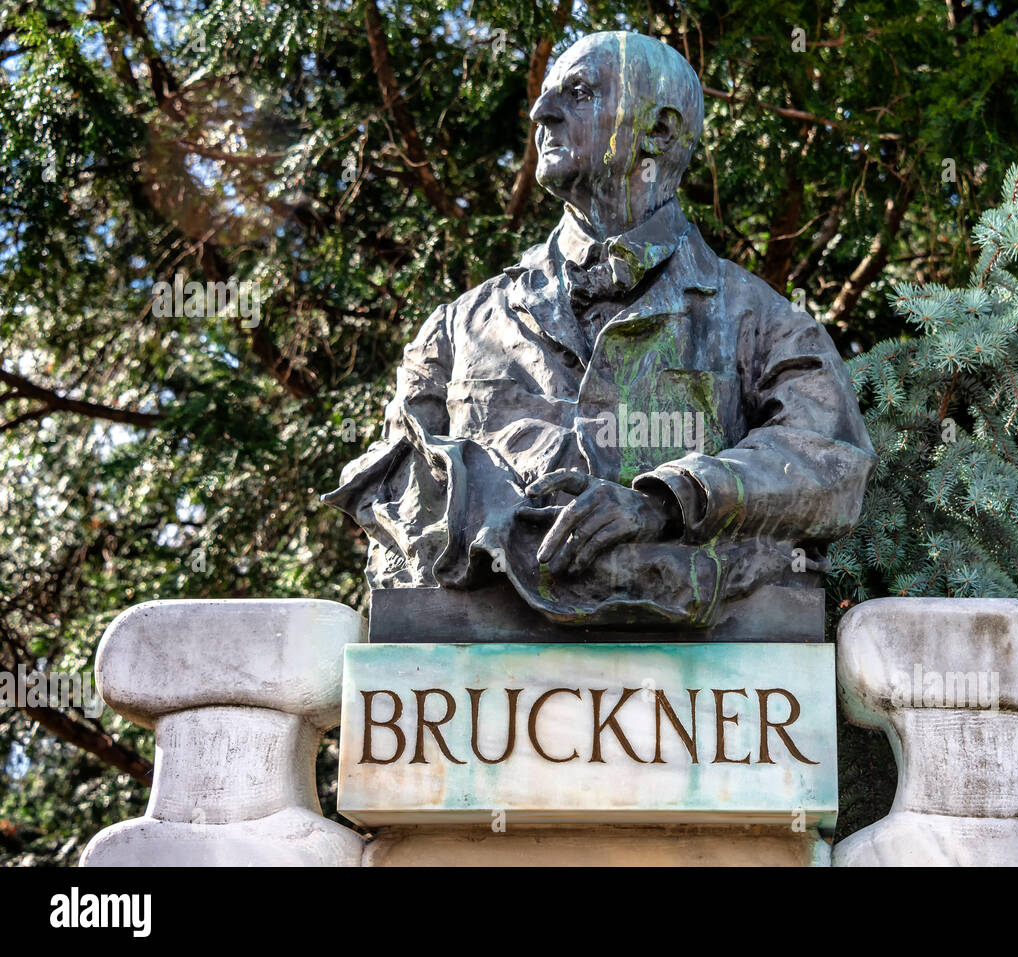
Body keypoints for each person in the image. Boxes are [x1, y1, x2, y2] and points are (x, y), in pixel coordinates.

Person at [325, 31, 876, 629]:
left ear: (659, 132)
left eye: (579, 92)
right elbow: (390, 473)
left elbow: (832, 462)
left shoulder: (761, 319)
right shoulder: (460, 326)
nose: (541, 112)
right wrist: (495, 517)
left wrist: (668, 500)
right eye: (544, 95)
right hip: (474, 651)